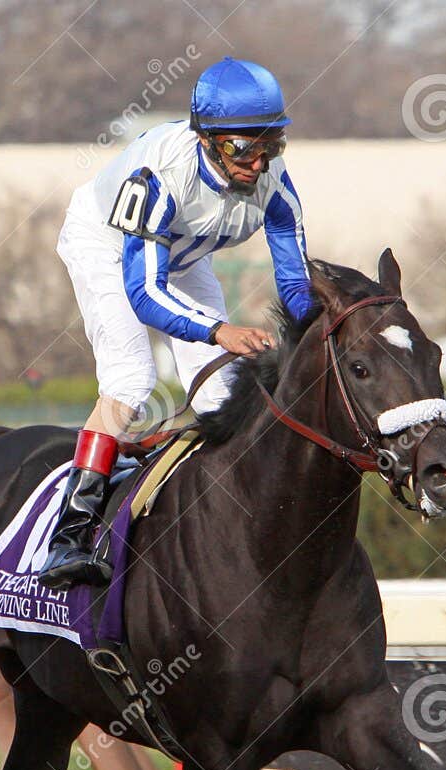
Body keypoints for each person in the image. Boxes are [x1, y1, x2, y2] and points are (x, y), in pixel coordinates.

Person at [39, 57, 313, 591]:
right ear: (207, 139)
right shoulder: (162, 174)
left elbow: (296, 284)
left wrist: (310, 340)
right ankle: (70, 535)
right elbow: (144, 293)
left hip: (182, 256)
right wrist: (219, 331)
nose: (258, 163)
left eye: (272, 145)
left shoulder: (275, 183)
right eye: (243, 147)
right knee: (130, 379)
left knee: (220, 393)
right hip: (109, 247)